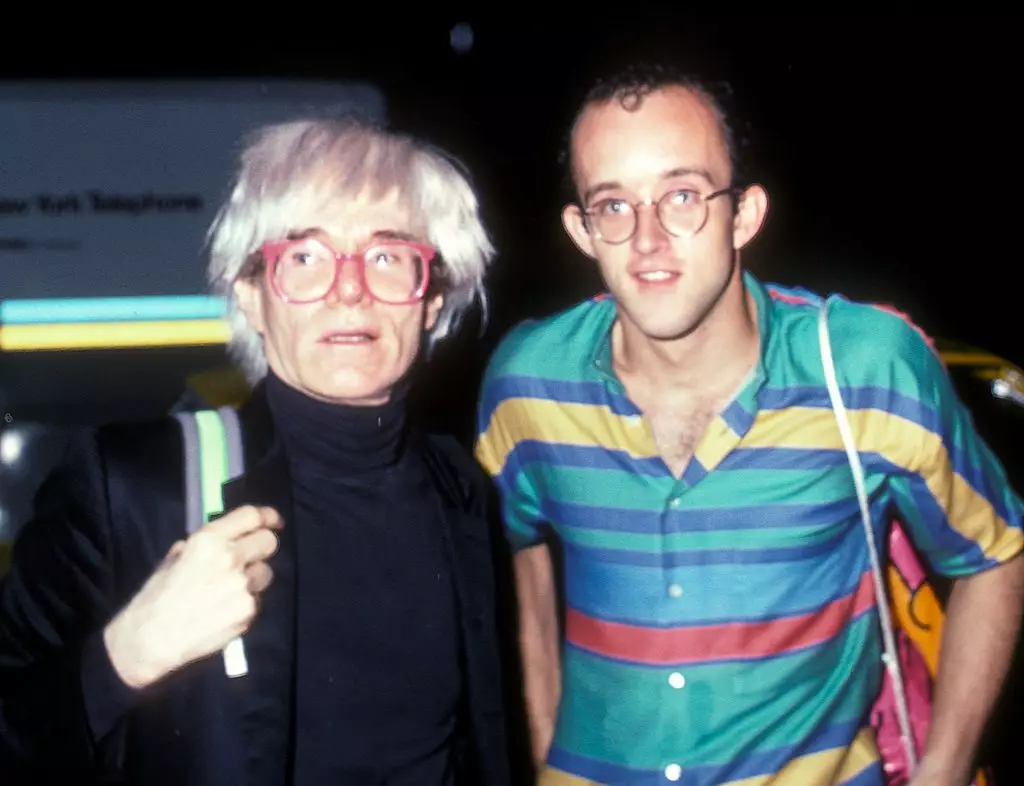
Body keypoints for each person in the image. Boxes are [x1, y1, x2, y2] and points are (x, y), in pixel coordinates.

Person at [475, 62, 1024, 786]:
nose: (647, 240)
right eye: (613, 205)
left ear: (744, 214)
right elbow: (517, 547)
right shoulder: (527, 383)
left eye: (682, 196)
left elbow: (992, 553)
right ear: (581, 230)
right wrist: (549, 740)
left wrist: (946, 767)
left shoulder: (863, 370)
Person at [0, 116, 511, 786]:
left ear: (431, 296)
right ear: (251, 296)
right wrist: (124, 656)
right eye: (305, 258)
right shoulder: (132, 483)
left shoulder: (460, 486)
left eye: (387, 256)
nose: (350, 289)